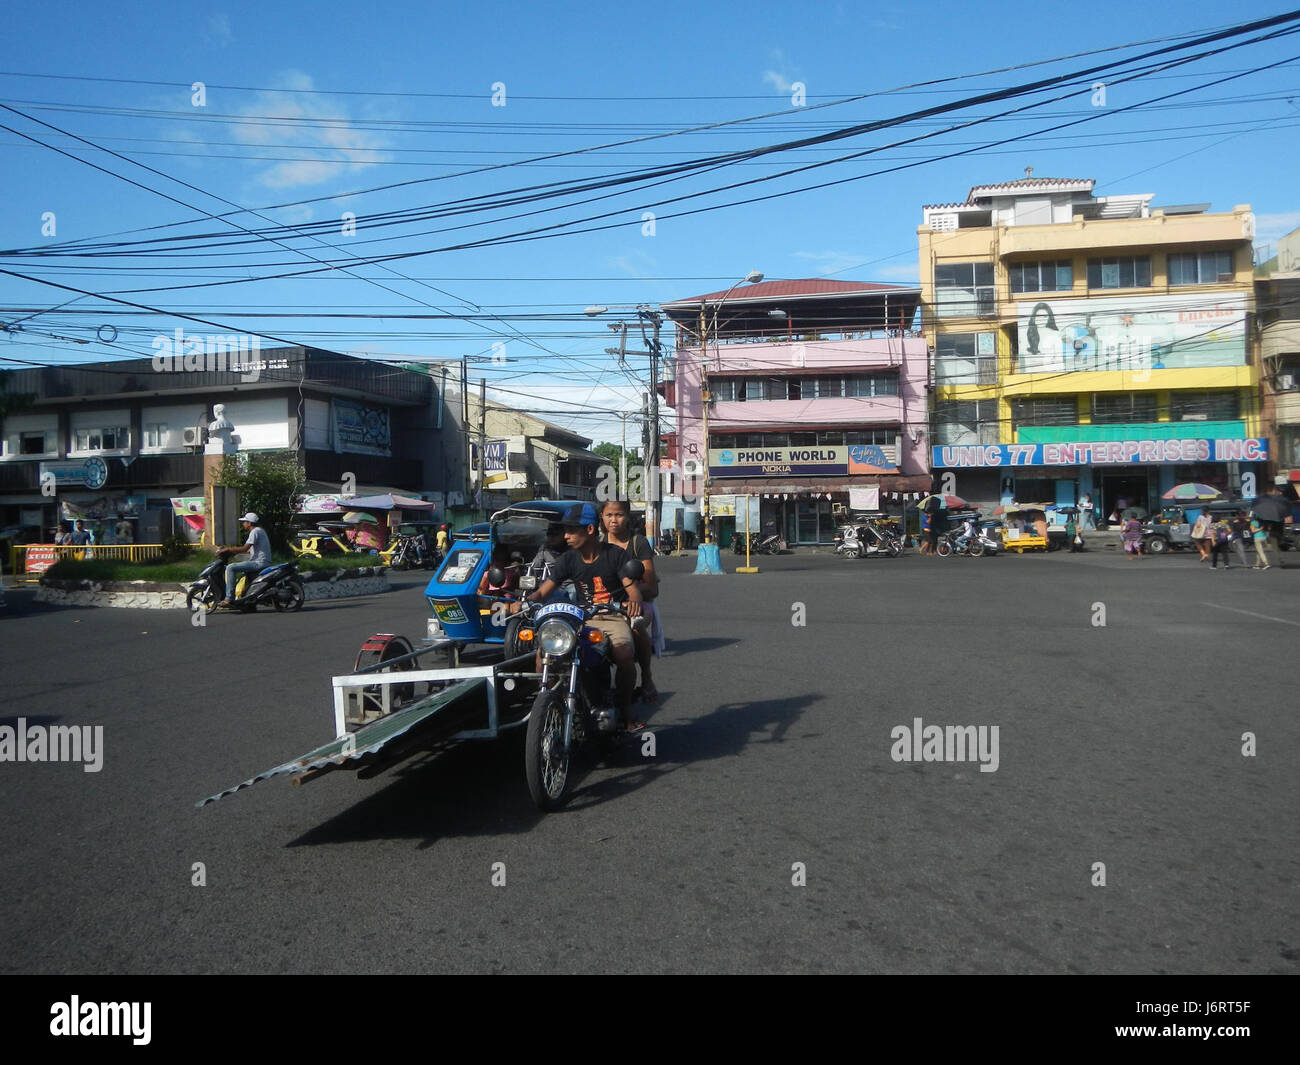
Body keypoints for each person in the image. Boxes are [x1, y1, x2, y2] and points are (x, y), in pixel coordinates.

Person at [511, 502, 643, 730]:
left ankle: (625, 709)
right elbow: (544, 591)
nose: (566, 536)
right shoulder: (568, 560)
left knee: (624, 655)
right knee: (545, 654)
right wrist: (525, 602)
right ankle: (550, 704)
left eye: (572, 530)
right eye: (565, 530)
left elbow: (634, 592)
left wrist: (633, 604)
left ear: (590, 530)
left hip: (611, 617)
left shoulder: (616, 556)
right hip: (581, 618)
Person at [601, 498, 662, 704]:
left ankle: (646, 677)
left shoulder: (638, 543)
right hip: (604, 605)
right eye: (609, 515)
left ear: (627, 517)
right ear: (602, 517)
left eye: (618, 515)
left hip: (639, 604)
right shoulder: (598, 544)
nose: (614, 520)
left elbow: (652, 587)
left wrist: (628, 596)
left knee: (636, 627)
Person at [219, 512, 272, 606]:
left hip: (259, 562)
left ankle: (229, 599)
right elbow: (249, 551)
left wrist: (228, 549)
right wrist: (233, 553)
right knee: (239, 568)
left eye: (244, 522)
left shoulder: (255, 532)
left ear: (250, 523)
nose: (243, 524)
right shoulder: (260, 531)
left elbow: (244, 548)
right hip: (262, 561)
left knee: (231, 568)